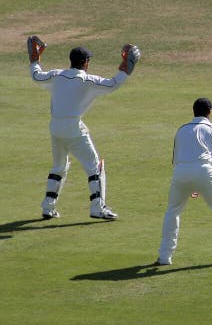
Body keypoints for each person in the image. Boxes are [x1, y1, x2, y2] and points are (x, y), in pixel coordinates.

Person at [28, 37, 140, 220]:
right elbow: (113, 84)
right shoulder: (88, 81)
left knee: (59, 166)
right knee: (95, 167)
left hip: (55, 127)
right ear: (86, 63)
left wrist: (34, 60)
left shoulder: (56, 76)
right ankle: (98, 208)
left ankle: (48, 207)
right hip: (73, 128)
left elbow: (36, 75)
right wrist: (127, 67)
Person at [157, 98, 212, 266]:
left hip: (180, 173)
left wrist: (192, 184)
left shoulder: (181, 130)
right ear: (209, 112)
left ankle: (165, 257)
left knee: (172, 211)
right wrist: (211, 181)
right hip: (204, 171)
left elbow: (175, 159)